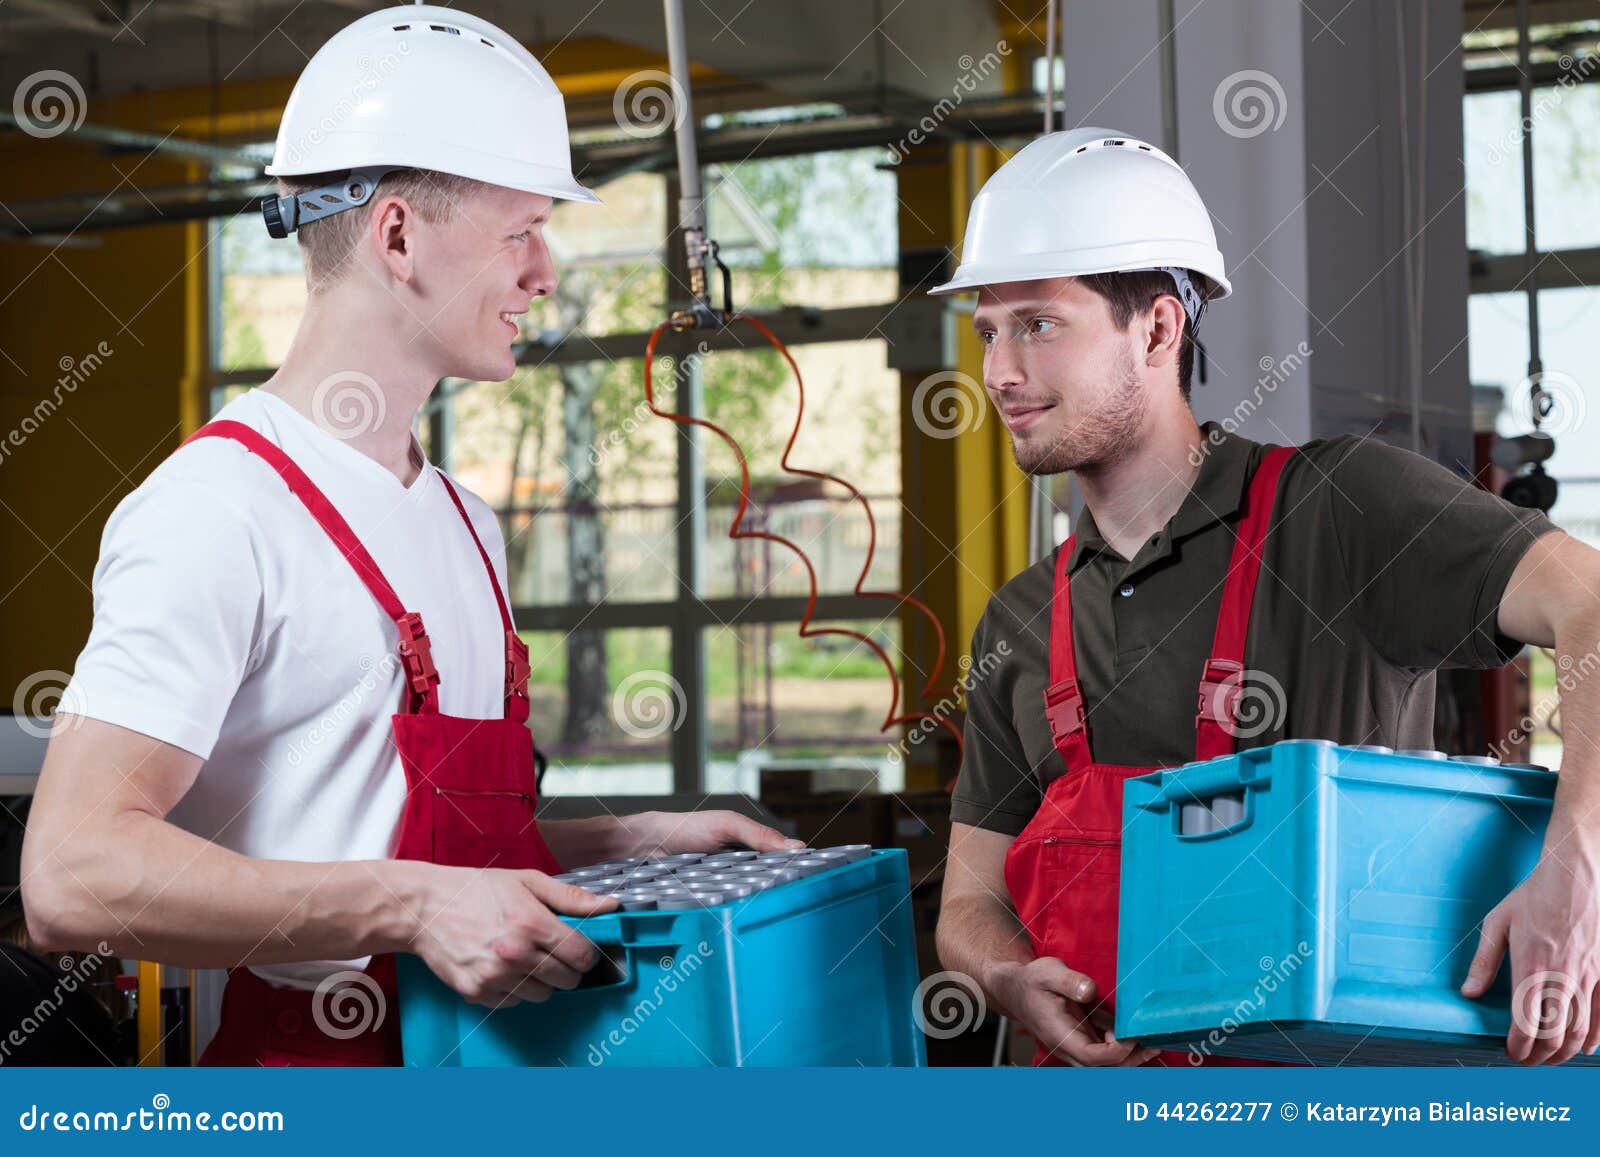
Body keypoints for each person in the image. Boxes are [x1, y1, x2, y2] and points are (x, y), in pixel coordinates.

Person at [20, 5, 797, 1067]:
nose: (546, 271)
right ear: (397, 234)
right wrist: (412, 907)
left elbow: (380, 825)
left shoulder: (464, 521)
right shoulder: (218, 506)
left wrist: (632, 840)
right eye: (521, 228)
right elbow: (71, 872)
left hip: (506, 1067)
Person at [930, 127, 1600, 1067]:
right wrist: (1005, 976)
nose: (1000, 371)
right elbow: (970, 902)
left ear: (1159, 328)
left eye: (1039, 323)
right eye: (988, 331)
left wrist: (1577, 865)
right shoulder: (1020, 618)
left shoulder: (1341, 509)